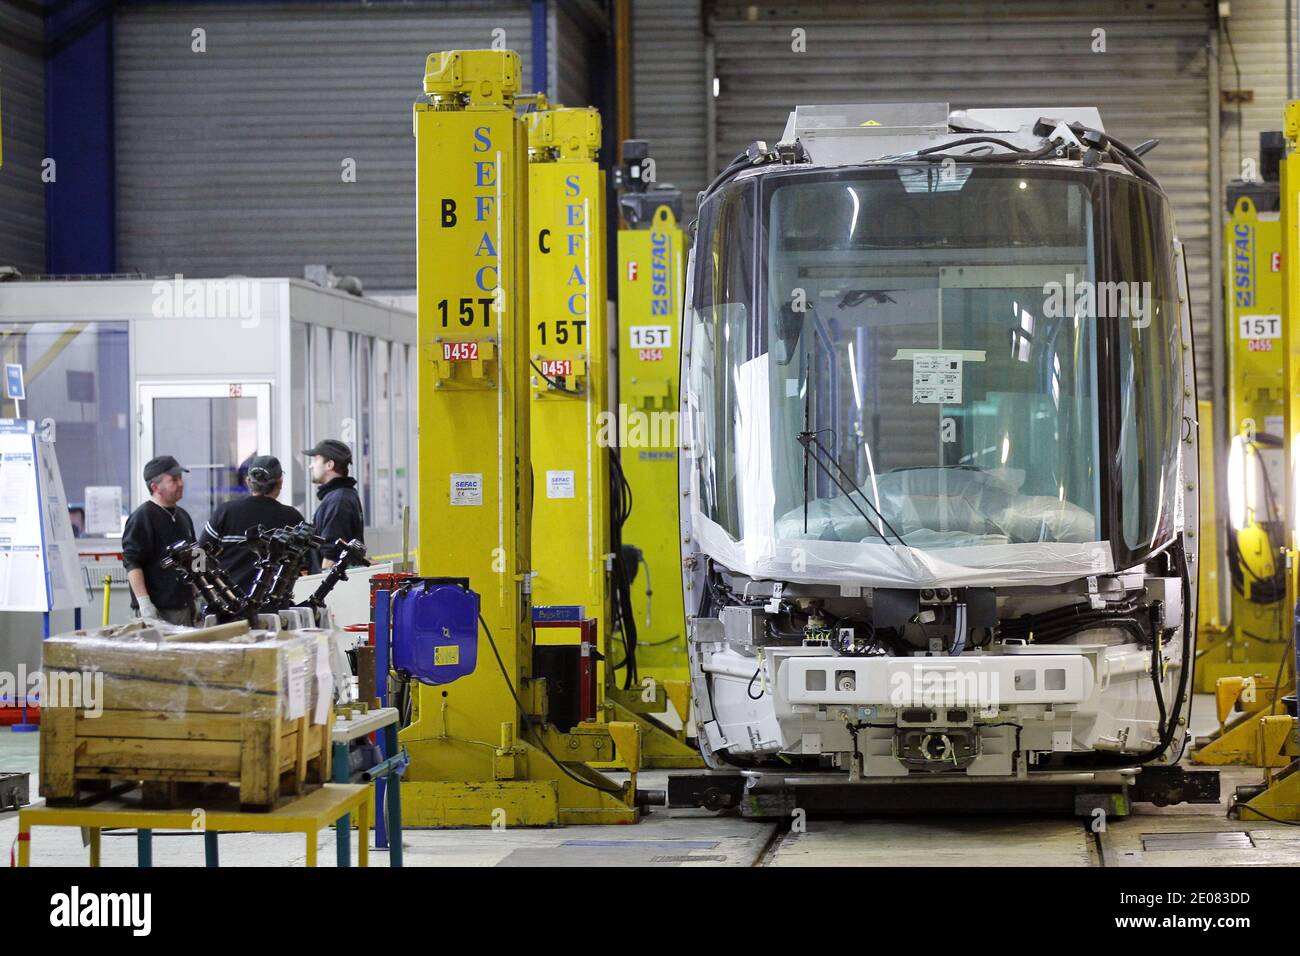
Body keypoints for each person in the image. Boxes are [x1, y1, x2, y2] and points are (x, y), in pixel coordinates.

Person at [198, 455, 305, 594]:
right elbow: (305, 566)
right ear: (280, 482)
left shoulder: (226, 512)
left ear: (248, 481)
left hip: (230, 603)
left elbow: (199, 554)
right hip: (273, 604)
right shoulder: (292, 518)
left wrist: (202, 586)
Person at [122, 455, 197, 626]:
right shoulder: (142, 518)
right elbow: (132, 562)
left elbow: (196, 555)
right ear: (155, 486)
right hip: (157, 610)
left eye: (181, 478)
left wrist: (199, 593)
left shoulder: (184, 516)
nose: (181, 483)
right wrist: (144, 603)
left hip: (185, 606)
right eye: (174, 480)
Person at [303, 439, 364, 569]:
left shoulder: (339, 501)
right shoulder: (344, 495)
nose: (311, 466)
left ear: (329, 464)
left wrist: (321, 585)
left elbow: (332, 556)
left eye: (315, 460)